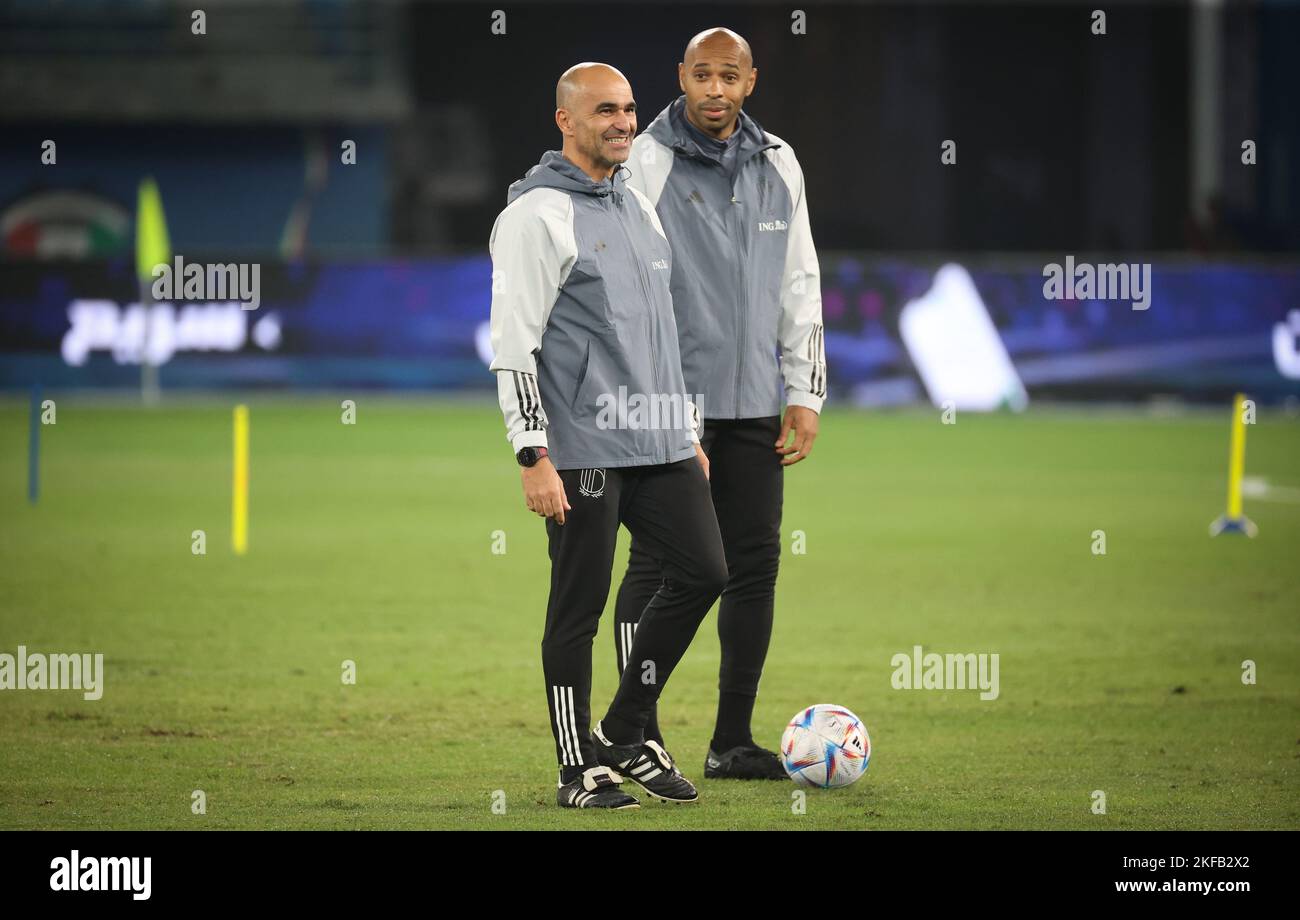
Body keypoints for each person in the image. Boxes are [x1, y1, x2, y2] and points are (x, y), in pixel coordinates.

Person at [488, 62, 728, 809]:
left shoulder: (637, 207)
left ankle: (625, 727)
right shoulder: (536, 216)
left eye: (627, 110)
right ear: (565, 120)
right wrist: (532, 454)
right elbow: (513, 344)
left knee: (705, 573)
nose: (623, 122)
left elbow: (667, 333)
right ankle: (574, 768)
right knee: (579, 608)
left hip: (658, 441)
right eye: (604, 112)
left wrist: (686, 429)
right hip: (584, 449)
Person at [620, 28, 828, 779]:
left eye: (728, 76)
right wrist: (665, 408)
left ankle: (730, 742)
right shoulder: (646, 159)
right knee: (659, 565)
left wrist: (805, 390)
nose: (714, 89)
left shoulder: (780, 163)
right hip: (669, 402)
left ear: (750, 82)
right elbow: (631, 289)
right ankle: (632, 730)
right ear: (681, 76)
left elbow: (799, 280)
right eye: (701, 75)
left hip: (753, 402)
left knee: (755, 566)